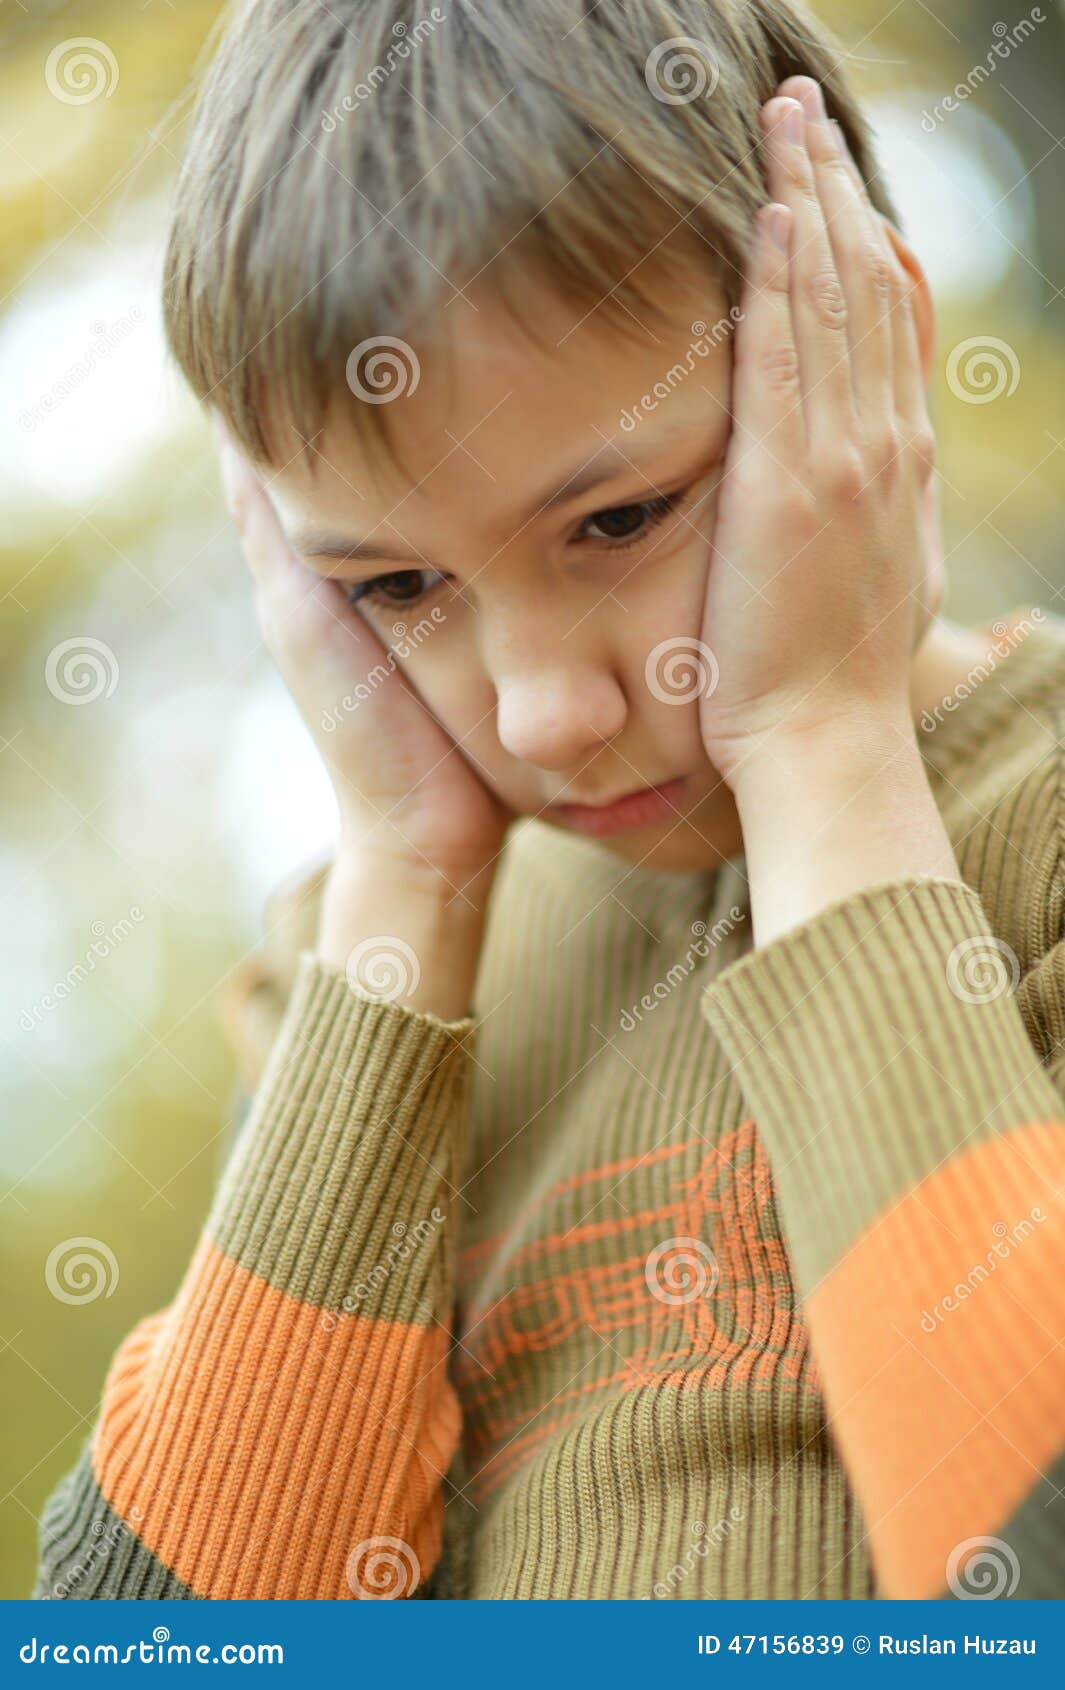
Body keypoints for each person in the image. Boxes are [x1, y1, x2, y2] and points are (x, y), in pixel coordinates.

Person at [34, 0, 1065, 1600]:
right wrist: (403, 881)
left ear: (871, 339)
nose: (540, 709)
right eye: (393, 582)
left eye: (618, 517)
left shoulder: (1040, 813)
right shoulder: (356, 975)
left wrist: (817, 745)